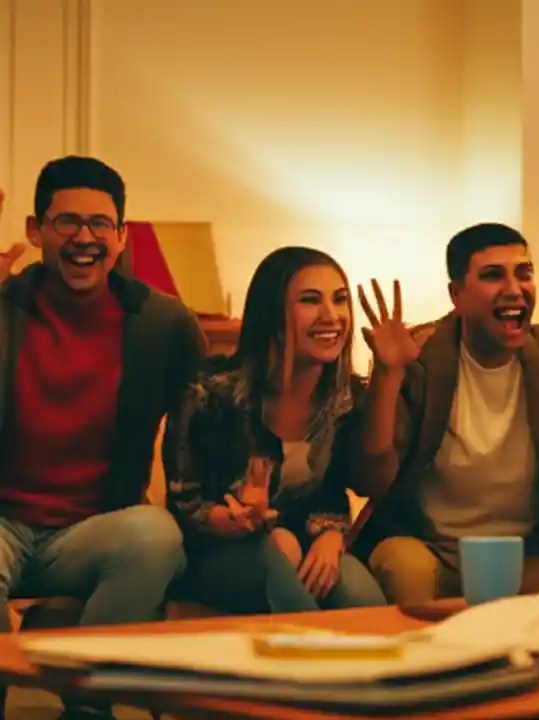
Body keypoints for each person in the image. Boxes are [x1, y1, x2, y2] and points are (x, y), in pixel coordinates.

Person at [353, 223, 539, 603]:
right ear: (457, 295)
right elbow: (371, 477)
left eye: (524, 273)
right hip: (429, 549)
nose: (514, 289)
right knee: (402, 568)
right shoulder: (422, 356)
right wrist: (387, 375)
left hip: (523, 557)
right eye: (493, 275)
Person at [0, 157, 205, 720]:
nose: (84, 238)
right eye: (67, 222)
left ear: (120, 236)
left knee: (155, 535)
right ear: (35, 230)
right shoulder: (3, 306)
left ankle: (87, 707)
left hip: (92, 530)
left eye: (100, 224)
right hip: (3, 523)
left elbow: (216, 415)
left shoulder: (163, 322)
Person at [164, 247, 396, 613]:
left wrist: (332, 535)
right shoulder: (209, 394)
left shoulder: (344, 398)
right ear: (272, 314)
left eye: (339, 300)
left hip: (307, 539)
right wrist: (232, 521)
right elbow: (183, 505)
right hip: (218, 554)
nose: (331, 316)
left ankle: (383, 668)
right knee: (278, 566)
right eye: (310, 300)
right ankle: (311, 665)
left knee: (358, 594)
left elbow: (354, 487)